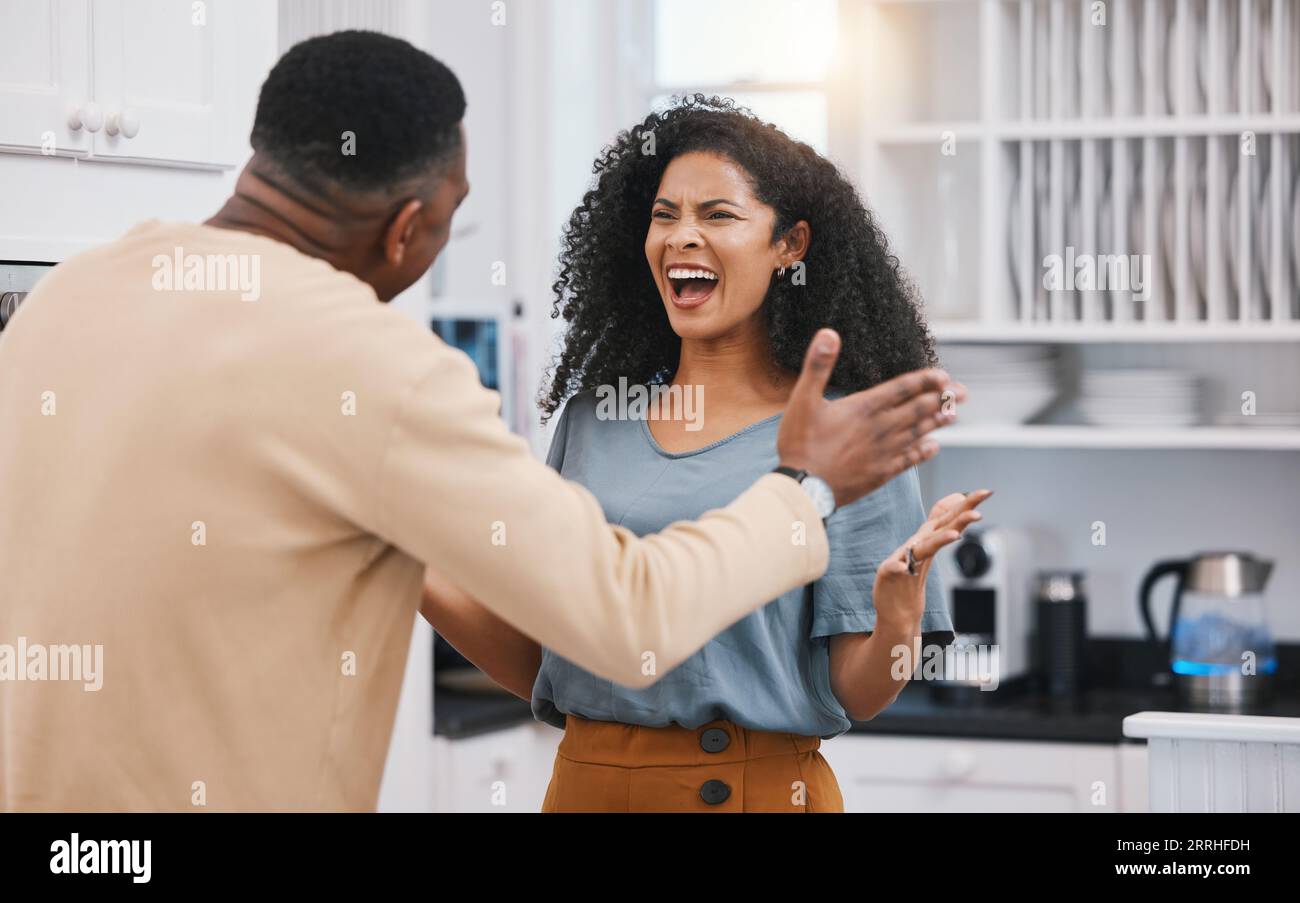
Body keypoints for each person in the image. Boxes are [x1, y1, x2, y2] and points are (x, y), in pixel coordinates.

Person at [0, 33, 961, 812]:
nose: (681, 238)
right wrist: (808, 487)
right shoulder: (379, 371)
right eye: (453, 219)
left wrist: (396, 537)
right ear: (403, 229)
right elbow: (627, 617)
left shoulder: (62, 300)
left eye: (717, 214)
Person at [421, 97, 990, 812]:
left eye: (718, 215)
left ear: (791, 244)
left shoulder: (842, 432)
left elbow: (859, 690)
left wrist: (898, 615)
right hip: (585, 788)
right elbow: (547, 655)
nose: (682, 236)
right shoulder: (597, 420)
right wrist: (404, 559)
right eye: (665, 216)